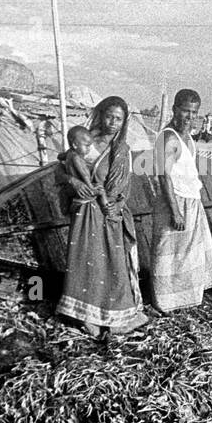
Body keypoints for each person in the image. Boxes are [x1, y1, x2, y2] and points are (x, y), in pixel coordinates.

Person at [55, 97, 149, 337]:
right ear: (101, 114)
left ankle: (112, 314)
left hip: (106, 213)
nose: (112, 122)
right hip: (84, 210)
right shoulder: (85, 140)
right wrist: (72, 181)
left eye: (119, 118)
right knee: (84, 262)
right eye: (109, 116)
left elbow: (120, 188)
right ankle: (85, 316)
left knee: (109, 264)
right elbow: (60, 166)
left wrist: (112, 206)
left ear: (124, 121)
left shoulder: (120, 150)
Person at [149, 88, 212, 313]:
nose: (190, 117)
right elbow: (164, 176)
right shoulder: (169, 137)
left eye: (194, 113)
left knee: (187, 253)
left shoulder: (186, 136)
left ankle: (183, 298)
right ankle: (163, 301)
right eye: (185, 111)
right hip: (174, 201)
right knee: (167, 253)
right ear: (174, 110)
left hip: (190, 199)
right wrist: (175, 211)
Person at [59, 125, 106, 212]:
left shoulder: (70, 153)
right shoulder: (77, 158)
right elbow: (84, 174)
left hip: (73, 189)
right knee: (101, 190)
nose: (89, 149)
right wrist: (91, 187)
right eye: (87, 146)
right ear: (75, 145)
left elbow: (60, 156)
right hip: (82, 190)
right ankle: (107, 210)